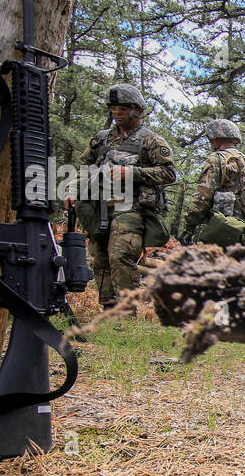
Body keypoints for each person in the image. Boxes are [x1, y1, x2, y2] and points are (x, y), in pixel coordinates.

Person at [70, 83, 176, 308]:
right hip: (99, 206)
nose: (117, 113)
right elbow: (83, 167)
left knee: (120, 256)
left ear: (137, 110)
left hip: (131, 207)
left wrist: (132, 173)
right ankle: (108, 310)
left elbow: (169, 173)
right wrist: (72, 190)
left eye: (123, 108)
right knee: (99, 258)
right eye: (113, 108)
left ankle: (127, 312)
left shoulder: (151, 140)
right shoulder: (101, 139)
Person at [184, 119, 245, 247]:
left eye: (210, 138)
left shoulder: (217, 159)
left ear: (217, 137)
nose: (210, 141)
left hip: (222, 230)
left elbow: (202, 197)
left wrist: (189, 227)